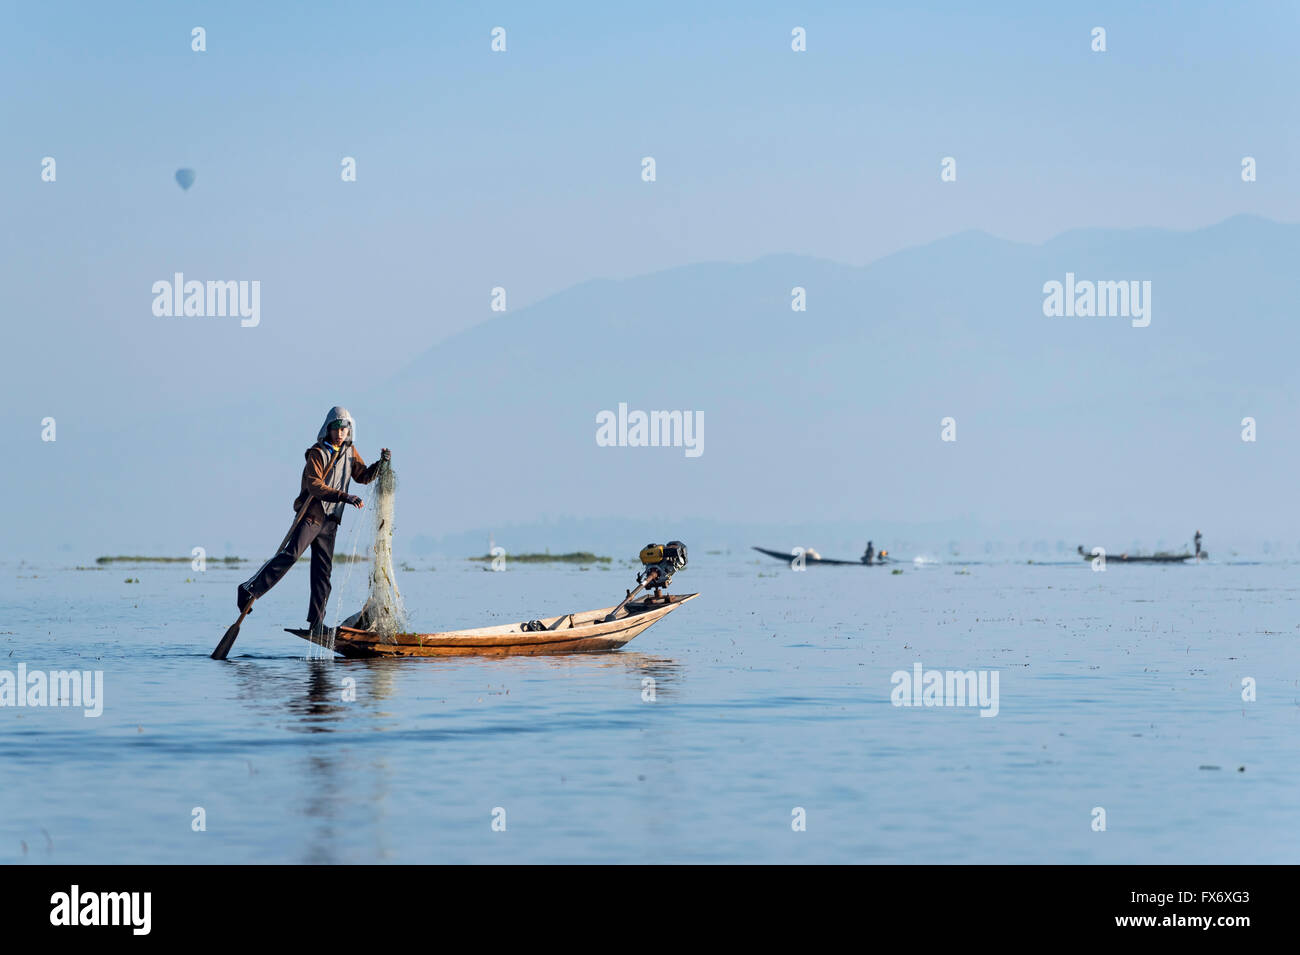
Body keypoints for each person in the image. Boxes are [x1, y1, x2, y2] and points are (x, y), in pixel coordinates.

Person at [237, 407, 391, 636]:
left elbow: (362, 476)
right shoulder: (318, 452)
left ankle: (316, 623)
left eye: (344, 428)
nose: (340, 433)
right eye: (336, 428)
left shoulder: (350, 452)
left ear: (349, 430)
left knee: (323, 572)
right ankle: (248, 589)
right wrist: (343, 496)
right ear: (328, 429)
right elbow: (314, 486)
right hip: (312, 516)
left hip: (331, 520)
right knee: (290, 555)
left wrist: (381, 464)